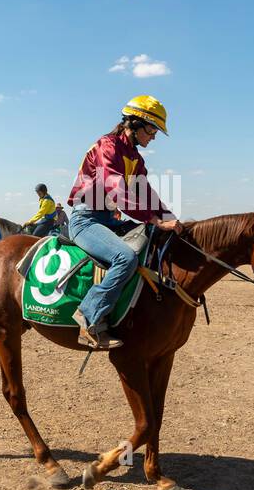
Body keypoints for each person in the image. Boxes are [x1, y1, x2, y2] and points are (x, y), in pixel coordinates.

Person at [66, 95, 180, 349]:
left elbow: (146, 193)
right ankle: (89, 315)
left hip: (109, 220)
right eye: (152, 129)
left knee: (156, 238)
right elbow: (116, 190)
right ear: (135, 123)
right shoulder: (108, 146)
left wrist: (169, 218)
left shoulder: (136, 158)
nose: (154, 136)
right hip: (86, 220)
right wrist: (152, 218)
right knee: (125, 258)